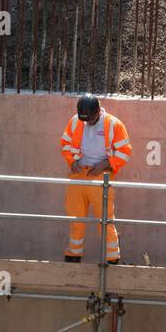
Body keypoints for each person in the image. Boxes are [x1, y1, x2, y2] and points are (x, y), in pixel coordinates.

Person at [60, 94, 131, 264]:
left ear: (98, 111)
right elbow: (65, 144)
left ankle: (113, 259)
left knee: (105, 220)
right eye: (85, 120)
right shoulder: (76, 121)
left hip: (101, 176)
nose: (88, 123)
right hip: (78, 175)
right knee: (76, 219)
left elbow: (125, 152)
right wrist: (72, 162)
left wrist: (103, 165)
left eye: (90, 120)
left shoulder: (113, 124)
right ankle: (73, 257)